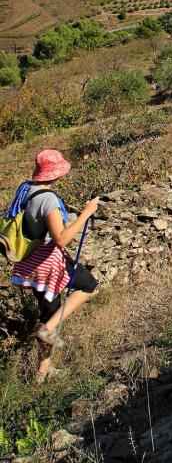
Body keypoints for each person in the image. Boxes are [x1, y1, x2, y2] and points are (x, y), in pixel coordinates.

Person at [9, 149, 99, 382]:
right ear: (56, 173)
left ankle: (42, 371)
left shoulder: (26, 190)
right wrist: (86, 214)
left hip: (30, 265)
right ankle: (48, 330)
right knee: (88, 284)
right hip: (48, 264)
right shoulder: (47, 198)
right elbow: (60, 238)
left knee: (49, 310)